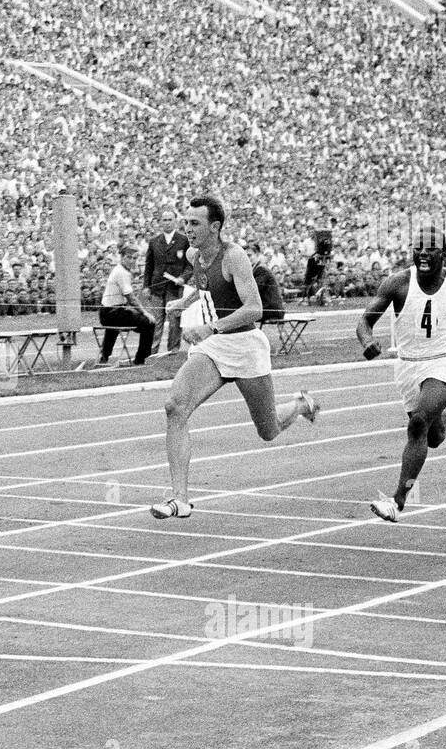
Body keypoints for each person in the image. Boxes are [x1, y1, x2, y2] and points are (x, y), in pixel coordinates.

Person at [152, 196, 320, 519]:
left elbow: (254, 308)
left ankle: (300, 404)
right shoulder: (193, 254)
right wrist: (183, 306)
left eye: (195, 223)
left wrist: (210, 327)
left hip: (244, 346)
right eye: (186, 222)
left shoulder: (234, 257)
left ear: (215, 227)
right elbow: (205, 289)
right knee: (174, 405)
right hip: (213, 348)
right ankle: (180, 498)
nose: (188, 229)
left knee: (268, 429)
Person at [357, 226, 446, 523]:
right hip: (408, 366)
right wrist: (367, 342)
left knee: (419, 423)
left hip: (444, 361)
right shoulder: (397, 284)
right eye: (418, 247)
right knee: (433, 437)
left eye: (430, 248)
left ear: (443, 255)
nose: (422, 252)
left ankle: (397, 502)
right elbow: (364, 322)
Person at [97, 242, 155, 366]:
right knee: (149, 322)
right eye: (129, 257)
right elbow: (131, 299)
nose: (132, 261)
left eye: (135, 258)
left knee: (115, 327)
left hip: (109, 312)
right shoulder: (121, 272)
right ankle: (141, 360)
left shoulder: (122, 270)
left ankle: (104, 357)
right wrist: (145, 313)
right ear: (122, 257)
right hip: (111, 313)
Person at [143, 209, 190, 355]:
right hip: (157, 287)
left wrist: (183, 277)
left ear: (175, 221)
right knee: (156, 321)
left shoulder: (184, 240)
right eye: (164, 220)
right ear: (160, 222)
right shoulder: (154, 242)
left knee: (175, 320)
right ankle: (152, 351)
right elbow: (149, 265)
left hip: (175, 287)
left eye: (170, 219)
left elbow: (190, 263)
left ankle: (173, 350)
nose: (167, 223)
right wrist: (146, 286)